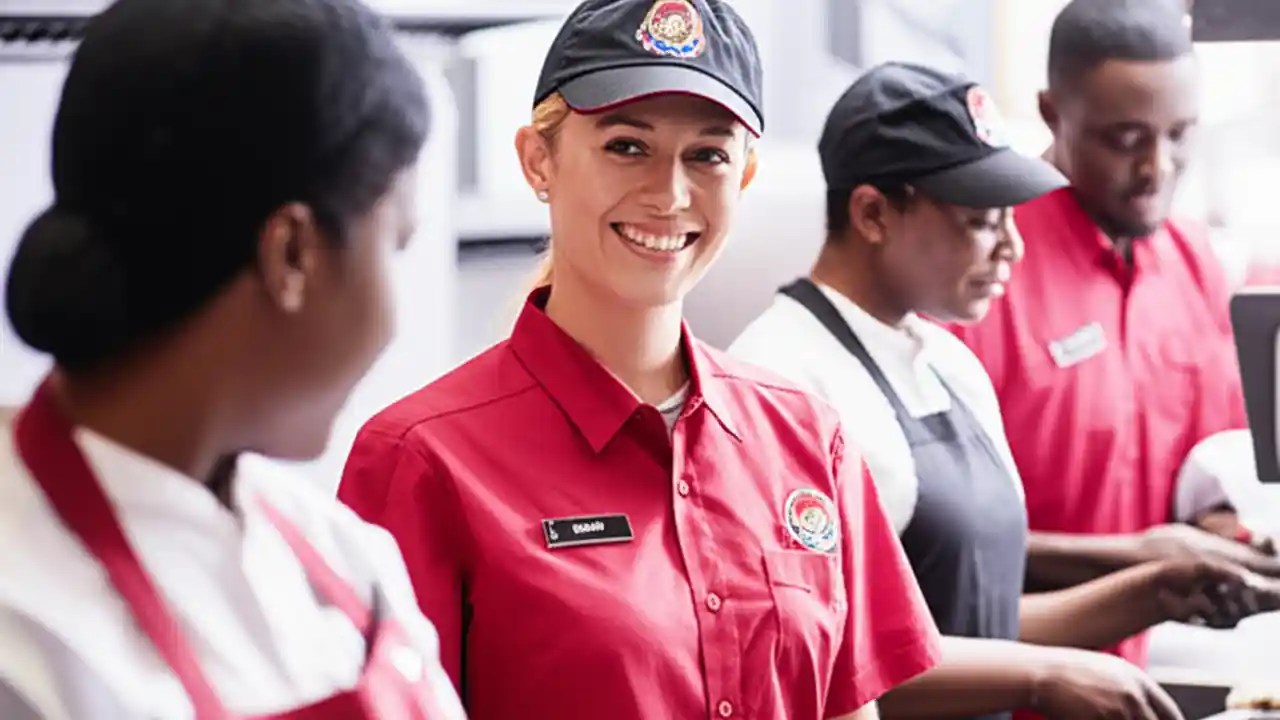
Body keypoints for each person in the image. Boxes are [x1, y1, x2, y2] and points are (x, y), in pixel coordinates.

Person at [338, 1, 942, 718]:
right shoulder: (420, 459)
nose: (670, 194)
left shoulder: (810, 439)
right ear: (539, 160)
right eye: (628, 145)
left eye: (708, 155)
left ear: (743, 178)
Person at [730, 62, 1280, 720]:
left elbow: (979, 618)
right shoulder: (782, 385)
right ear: (873, 213)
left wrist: (1158, 584)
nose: (1012, 249)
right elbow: (817, 662)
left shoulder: (948, 364)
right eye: (981, 221)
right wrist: (1044, 676)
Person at [0, 1, 465, 718]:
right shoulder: (22, 626)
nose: (392, 325)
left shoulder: (342, 558)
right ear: (293, 254)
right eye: (394, 247)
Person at [948, 0, 1280, 670]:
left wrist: (1226, 529)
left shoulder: (1191, 262)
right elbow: (936, 545)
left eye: (1180, 134)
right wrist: (1139, 562)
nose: (1158, 169)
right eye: (1126, 140)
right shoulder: (978, 273)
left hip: (1130, 678)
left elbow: (1206, 465)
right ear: (1051, 113)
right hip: (993, 683)